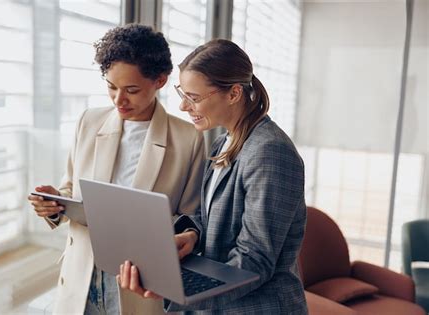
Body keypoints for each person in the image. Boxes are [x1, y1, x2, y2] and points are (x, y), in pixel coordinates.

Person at [118, 39, 308, 314]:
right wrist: (192, 234)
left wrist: (174, 288)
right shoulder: (224, 142)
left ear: (233, 94)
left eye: (193, 98)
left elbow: (255, 260)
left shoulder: (270, 152)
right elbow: (212, 218)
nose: (183, 106)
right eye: (183, 94)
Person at [27, 24, 205, 315]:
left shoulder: (188, 138)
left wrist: (182, 235)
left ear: (160, 81)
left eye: (131, 90)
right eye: (111, 86)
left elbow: (190, 216)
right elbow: (71, 189)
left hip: (139, 282)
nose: (118, 100)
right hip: (81, 273)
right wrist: (54, 201)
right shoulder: (89, 121)